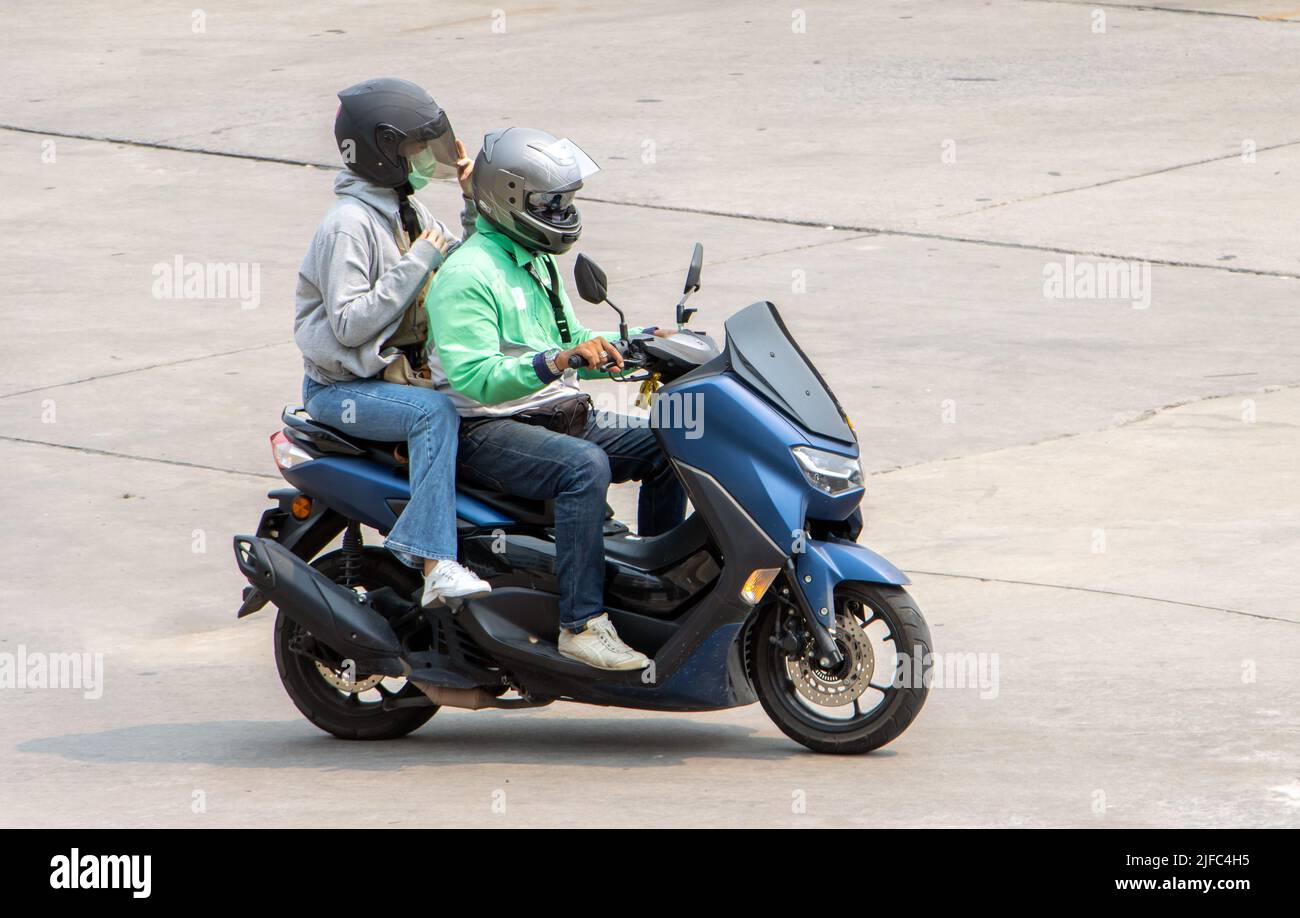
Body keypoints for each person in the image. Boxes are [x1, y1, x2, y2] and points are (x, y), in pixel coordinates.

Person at [424, 127, 686, 671]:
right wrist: (561, 361)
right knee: (583, 468)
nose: (562, 212)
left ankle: (660, 591)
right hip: (488, 430)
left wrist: (636, 342)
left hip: (554, 414)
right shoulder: (468, 274)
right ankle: (581, 624)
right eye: (549, 202)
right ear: (510, 198)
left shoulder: (534, 258)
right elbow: (476, 377)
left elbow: (564, 343)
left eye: (565, 200)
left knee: (676, 442)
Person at [293, 77, 490, 606]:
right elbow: (351, 325)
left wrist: (471, 204)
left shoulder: (409, 211)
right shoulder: (347, 226)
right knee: (433, 415)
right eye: (414, 148)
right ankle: (434, 561)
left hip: (391, 375)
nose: (425, 158)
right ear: (384, 153)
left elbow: (459, 272)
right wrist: (416, 262)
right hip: (343, 388)